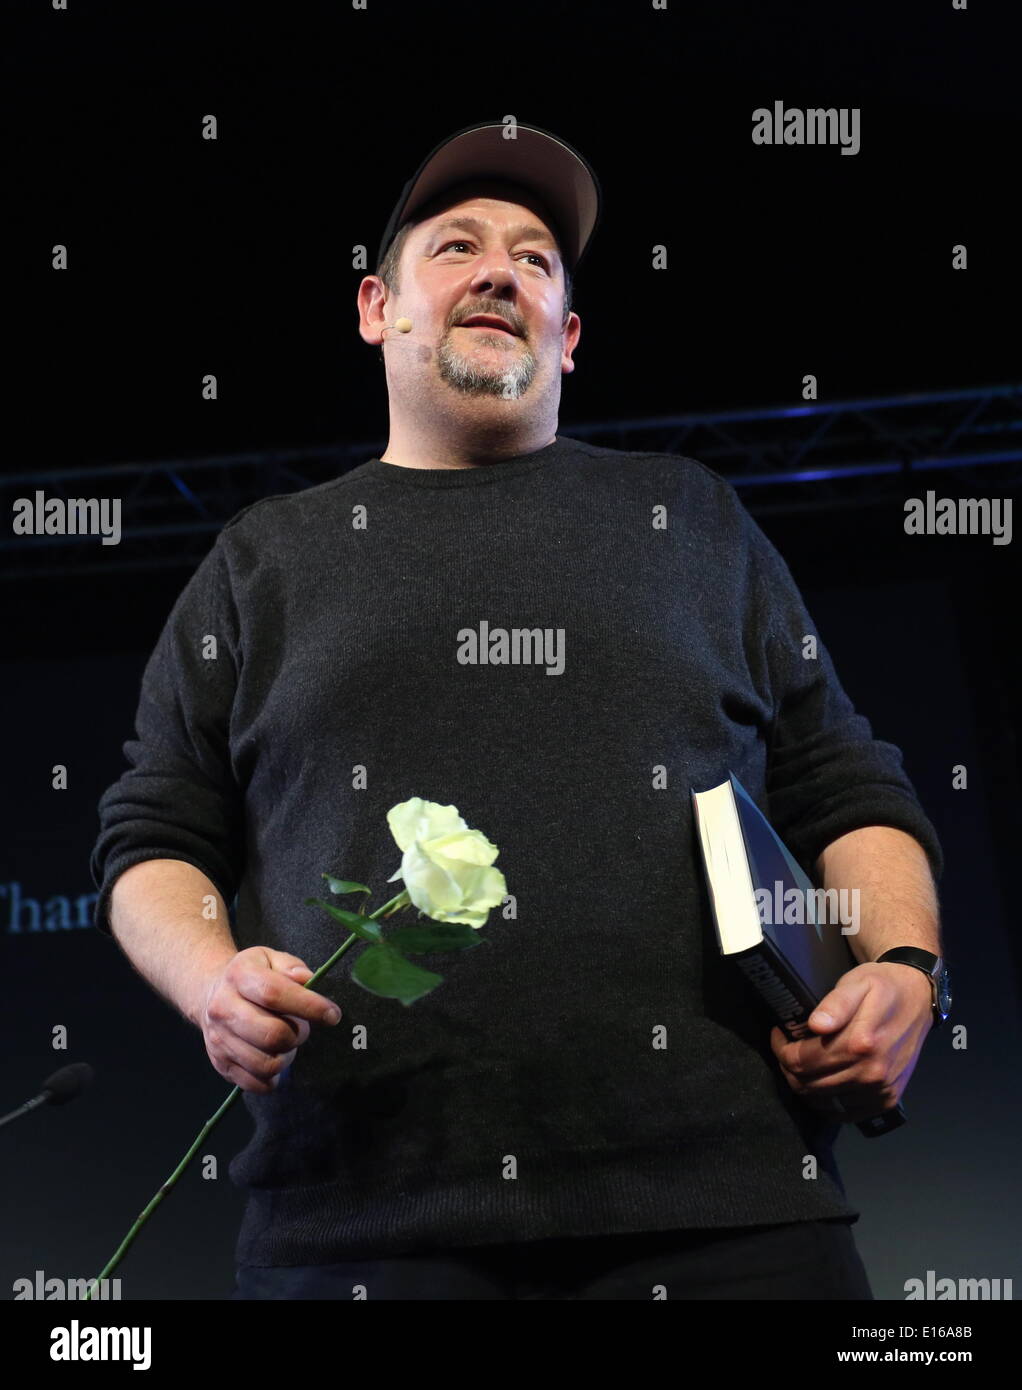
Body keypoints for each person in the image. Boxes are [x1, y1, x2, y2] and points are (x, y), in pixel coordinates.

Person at [91, 121, 947, 1301]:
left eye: (537, 261)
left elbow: (843, 781)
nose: (501, 271)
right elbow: (154, 832)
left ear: (570, 336)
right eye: (456, 247)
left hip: (728, 1211)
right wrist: (209, 980)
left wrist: (905, 963)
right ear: (374, 308)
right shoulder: (261, 561)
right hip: (360, 1222)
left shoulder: (689, 517)